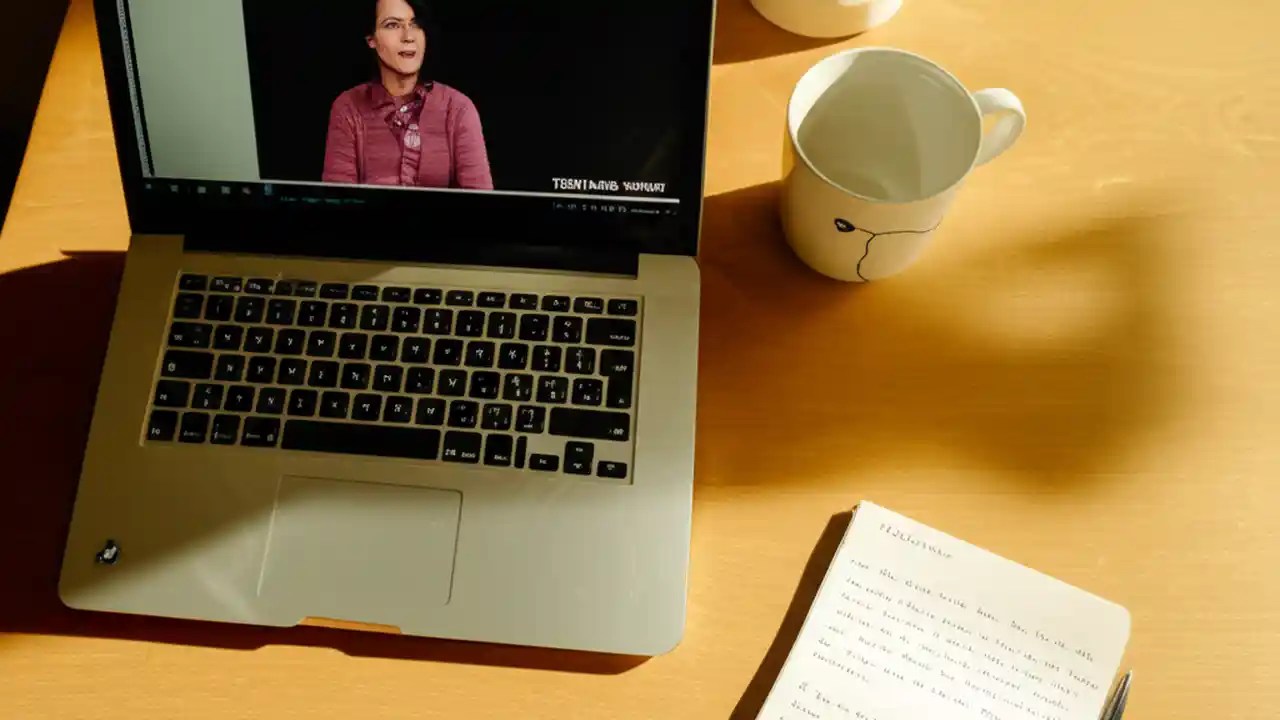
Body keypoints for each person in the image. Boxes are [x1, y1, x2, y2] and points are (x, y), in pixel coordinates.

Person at [322, 0, 493, 189]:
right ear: (371, 39)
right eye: (393, 25)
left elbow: (480, 201)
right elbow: (338, 200)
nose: (408, 36)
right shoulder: (348, 108)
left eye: (415, 24)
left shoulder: (458, 108)